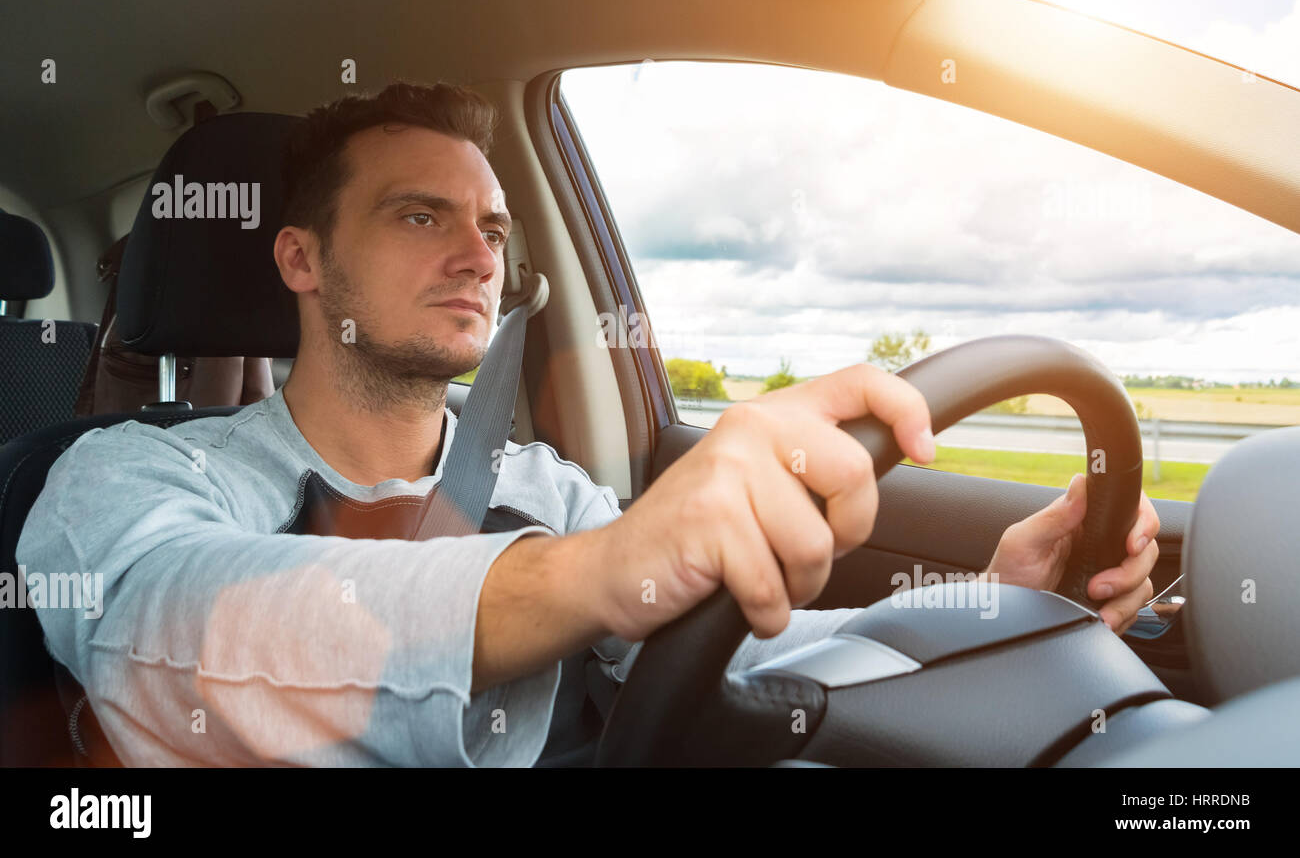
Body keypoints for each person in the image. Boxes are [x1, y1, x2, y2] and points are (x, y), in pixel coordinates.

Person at [16, 82, 1160, 766]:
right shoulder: (122, 478)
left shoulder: (543, 488)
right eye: (421, 215)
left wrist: (997, 599)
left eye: (493, 228)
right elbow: (178, 631)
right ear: (301, 260)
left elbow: (738, 665)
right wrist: (604, 568)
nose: (478, 256)